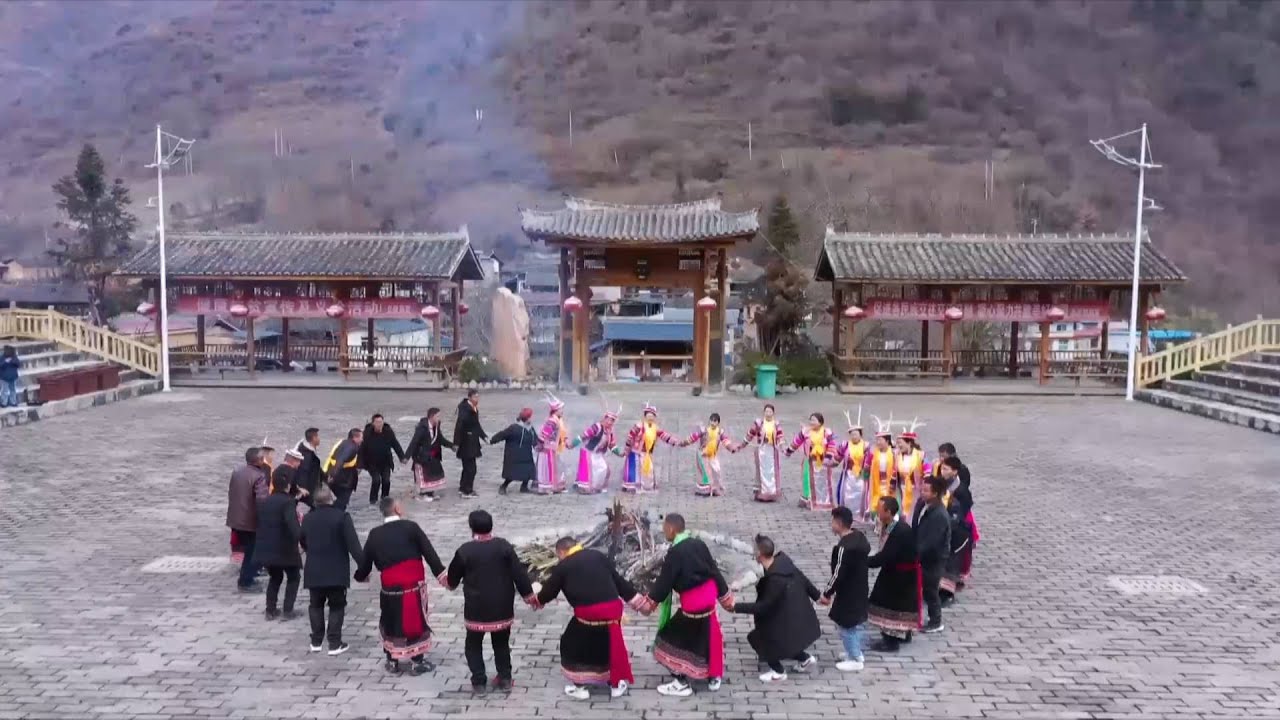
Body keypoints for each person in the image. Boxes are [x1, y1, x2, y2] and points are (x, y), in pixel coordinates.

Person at [636, 513, 732, 697]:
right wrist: (725, 597)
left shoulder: (675, 553)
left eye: (665, 529)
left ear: (671, 529)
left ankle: (681, 681)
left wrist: (648, 604)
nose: (664, 532)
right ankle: (714, 676)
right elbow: (714, 571)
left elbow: (664, 584)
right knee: (708, 635)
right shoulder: (699, 544)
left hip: (693, 605)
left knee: (665, 641)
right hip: (709, 600)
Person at [534, 536, 641, 700]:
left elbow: (549, 591)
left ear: (562, 551)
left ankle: (580, 686)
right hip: (613, 611)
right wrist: (637, 601)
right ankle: (615, 684)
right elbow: (618, 581)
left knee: (571, 642)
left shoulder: (563, 566)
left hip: (587, 614)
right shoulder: (598, 556)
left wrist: (537, 601)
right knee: (608, 641)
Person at [443, 510, 537, 693]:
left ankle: (479, 681)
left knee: (473, 643)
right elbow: (519, 574)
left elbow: (452, 580)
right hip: (502, 606)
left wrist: (448, 581)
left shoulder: (465, 551)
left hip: (476, 607)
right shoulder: (504, 547)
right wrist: (529, 596)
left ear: (471, 528)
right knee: (501, 643)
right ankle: (505, 678)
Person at [354, 498, 447, 675]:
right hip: (413, 584)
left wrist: (361, 576)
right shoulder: (411, 528)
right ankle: (417, 661)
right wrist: (442, 576)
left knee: (391, 618)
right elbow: (430, 553)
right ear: (397, 508)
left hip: (390, 587)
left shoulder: (375, 534)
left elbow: (365, 564)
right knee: (415, 619)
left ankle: (392, 660)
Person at [730, 535, 821, 683]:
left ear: (759, 555)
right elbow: (803, 579)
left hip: (785, 620)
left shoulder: (774, 579)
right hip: (796, 616)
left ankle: (778, 671)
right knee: (787, 641)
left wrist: (736, 607)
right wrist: (817, 596)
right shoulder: (784, 563)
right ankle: (805, 659)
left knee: (758, 638)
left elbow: (763, 607)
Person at [300, 484, 364, 655]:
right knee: (337, 605)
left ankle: (316, 641)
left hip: (314, 569)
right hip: (336, 570)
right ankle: (334, 643)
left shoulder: (307, 519)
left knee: (315, 605)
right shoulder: (342, 517)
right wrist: (364, 567)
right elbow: (354, 546)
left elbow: (302, 541)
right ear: (331, 499)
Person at [867, 497, 922, 652]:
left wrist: (863, 561)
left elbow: (885, 556)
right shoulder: (890, 526)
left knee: (891, 604)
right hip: (896, 571)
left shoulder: (899, 531)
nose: (877, 511)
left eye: (880, 509)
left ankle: (891, 641)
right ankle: (903, 634)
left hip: (900, 575)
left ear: (889, 512)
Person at [821, 506, 870, 672]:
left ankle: (855, 657)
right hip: (860, 589)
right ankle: (853, 652)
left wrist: (827, 593)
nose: (831, 524)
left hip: (848, 592)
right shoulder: (860, 538)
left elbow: (837, 574)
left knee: (846, 625)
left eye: (833, 521)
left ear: (840, 523)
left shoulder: (843, 548)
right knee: (853, 624)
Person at [255, 460, 303, 621]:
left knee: (275, 578)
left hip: (267, 548)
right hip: (285, 549)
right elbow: (293, 526)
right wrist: (304, 543)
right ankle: (288, 609)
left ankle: (270, 609)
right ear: (288, 484)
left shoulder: (267, 500)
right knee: (294, 577)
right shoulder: (287, 502)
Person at [226, 447, 270, 591]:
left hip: (235, 518)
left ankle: (248, 576)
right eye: (262, 458)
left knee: (249, 549)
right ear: (258, 460)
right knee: (254, 551)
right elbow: (262, 501)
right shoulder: (259, 476)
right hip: (249, 521)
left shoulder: (237, 471)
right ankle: (245, 581)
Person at [912, 475, 950, 633]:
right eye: (922, 489)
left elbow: (931, 542)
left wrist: (916, 554)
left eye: (926, 490)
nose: (922, 492)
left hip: (934, 559)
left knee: (930, 590)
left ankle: (936, 621)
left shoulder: (939, 515)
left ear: (935, 493)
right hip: (922, 553)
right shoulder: (923, 504)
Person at [937, 456, 975, 605]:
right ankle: (939, 590)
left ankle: (949, 594)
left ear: (955, 471)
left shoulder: (961, 490)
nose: (942, 471)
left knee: (952, 562)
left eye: (946, 469)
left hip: (957, 532)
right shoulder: (942, 485)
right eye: (942, 468)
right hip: (943, 528)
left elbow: (962, 513)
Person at [620, 404, 680, 493]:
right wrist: (627, 449)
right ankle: (631, 486)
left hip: (646, 454)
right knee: (635, 470)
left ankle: (646, 485)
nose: (650, 418)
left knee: (648, 470)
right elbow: (630, 437)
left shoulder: (655, 428)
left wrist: (676, 442)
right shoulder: (639, 426)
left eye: (652, 416)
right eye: (648, 415)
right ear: (645, 416)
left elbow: (664, 436)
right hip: (636, 452)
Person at [784, 413, 837, 511]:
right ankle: (807, 499)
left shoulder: (827, 433)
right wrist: (789, 451)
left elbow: (832, 445)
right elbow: (796, 442)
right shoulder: (805, 432)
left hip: (823, 461)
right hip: (809, 460)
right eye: (811, 420)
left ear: (820, 422)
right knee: (807, 479)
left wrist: (828, 457)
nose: (812, 422)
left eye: (814, 420)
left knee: (822, 481)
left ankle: (823, 500)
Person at [681, 413, 738, 497]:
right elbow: (694, 437)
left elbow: (725, 441)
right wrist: (684, 443)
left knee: (717, 470)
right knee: (706, 472)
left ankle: (715, 488)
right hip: (703, 454)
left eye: (715, 421)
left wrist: (731, 448)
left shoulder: (720, 432)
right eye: (711, 421)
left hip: (713, 455)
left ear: (718, 423)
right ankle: (705, 490)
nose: (712, 423)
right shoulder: (704, 431)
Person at [405, 408, 452, 501]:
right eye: (437, 416)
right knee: (423, 475)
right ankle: (423, 494)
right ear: (431, 416)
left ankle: (430, 493)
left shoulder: (436, 427)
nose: (439, 418)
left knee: (432, 474)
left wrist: (451, 445)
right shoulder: (422, 428)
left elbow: (440, 439)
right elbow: (414, 442)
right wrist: (406, 457)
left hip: (432, 455)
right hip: (421, 455)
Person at [571, 405, 620, 494]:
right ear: (604, 419)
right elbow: (583, 436)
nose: (609, 422)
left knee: (605, 470)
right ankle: (583, 486)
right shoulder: (597, 427)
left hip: (598, 454)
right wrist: (572, 444)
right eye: (608, 420)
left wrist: (620, 453)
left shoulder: (610, 432)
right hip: (589, 453)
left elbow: (612, 445)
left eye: (612, 421)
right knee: (591, 471)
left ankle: (597, 487)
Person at [361, 413, 406, 505]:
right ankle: (373, 500)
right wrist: (359, 465)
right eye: (377, 422)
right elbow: (361, 450)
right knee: (376, 480)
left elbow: (396, 445)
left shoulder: (388, 432)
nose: (379, 424)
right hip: (372, 463)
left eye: (381, 422)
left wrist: (402, 457)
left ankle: (385, 498)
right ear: (373, 423)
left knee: (386, 480)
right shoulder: (367, 434)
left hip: (386, 462)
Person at [490, 408, 538, 494]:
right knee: (512, 473)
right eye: (530, 417)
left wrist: (538, 445)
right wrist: (493, 440)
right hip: (514, 454)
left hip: (526, 453)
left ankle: (524, 487)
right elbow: (503, 434)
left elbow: (535, 439)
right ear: (527, 418)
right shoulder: (514, 428)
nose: (531, 419)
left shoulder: (530, 428)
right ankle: (503, 486)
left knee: (528, 470)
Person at [742, 404, 784, 502]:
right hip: (761, 450)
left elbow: (780, 435)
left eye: (770, 412)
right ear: (764, 412)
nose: (768, 413)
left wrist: (782, 446)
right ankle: (761, 492)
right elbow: (751, 433)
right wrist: (743, 444)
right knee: (761, 470)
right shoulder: (759, 423)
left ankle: (771, 492)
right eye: (766, 411)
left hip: (772, 450)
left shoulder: (776, 424)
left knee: (771, 471)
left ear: (773, 413)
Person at [861, 420, 897, 526]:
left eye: (880, 440)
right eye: (877, 440)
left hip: (890, 482)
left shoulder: (894, 453)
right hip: (876, 482)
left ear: (887, 441)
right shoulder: (872, 452)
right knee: (875, 501)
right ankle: (878, 522)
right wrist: (865, 478)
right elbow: (866, 467)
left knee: (889, 501)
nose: (878, 443)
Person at [452, 390, 487, 498]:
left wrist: (484, 436)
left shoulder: (473, 409)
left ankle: (463, 487)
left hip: (472, 441)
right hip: (466, 442)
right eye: (475, 397)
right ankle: (467, 490)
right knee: (471, 468)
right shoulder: (465, 409)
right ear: (470, 397)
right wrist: (456, 443)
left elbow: (476, 425)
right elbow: (459, 426)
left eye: (478, 397)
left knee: (468, 467)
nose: (477, 399)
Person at [534, 395, 571, 494]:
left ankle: (552, 486)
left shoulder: (556, 419)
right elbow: (545, 435)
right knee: (546, 468)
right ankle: (545, 488)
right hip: (547, 448)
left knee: (551, 467)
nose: (562, 411)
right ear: (556, 410)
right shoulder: (552, 421)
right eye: (561, 409)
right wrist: (542, 445)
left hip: (551, 447)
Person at [833, 410, 868, 513]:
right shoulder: (845, 445)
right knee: (846, 493)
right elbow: (837, 457)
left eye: (856, 434)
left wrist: (865, 473)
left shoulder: (866, 446)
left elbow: (869, 461)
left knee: (861, 492)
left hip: (861, 475)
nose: (854, 437)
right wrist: (828, 462)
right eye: (852, 434)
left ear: (860, 435)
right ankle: (846, 511)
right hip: (848, 475)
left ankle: (860, 512)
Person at [895, 420, 928, 522]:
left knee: (913, 513)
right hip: (902, 490)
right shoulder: (897, 456)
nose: (899, 445)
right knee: (902, 513)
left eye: (901, 443)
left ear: (909, 443)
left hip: (916, 490)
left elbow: (928, 471)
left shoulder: (920, 455)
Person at [323, 428, 363, 510]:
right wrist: (333, 475)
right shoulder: (352, 447)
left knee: (341, 501)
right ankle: (331, 515)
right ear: (355, 438)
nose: (362, 440)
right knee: (343, 501)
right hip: (341, 480)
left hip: (330, 473)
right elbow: (341, 459)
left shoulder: (342, 442)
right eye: (361, 437)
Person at [294, 428, 324, 508]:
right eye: (318, 437)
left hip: (310, 488)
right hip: (308, 489)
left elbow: (316, 468)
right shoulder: (307, 455)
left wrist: (325, 477)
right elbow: (303, 471)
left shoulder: (308, 450)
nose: (319, 439)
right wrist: (301, 488)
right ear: (314, 438)